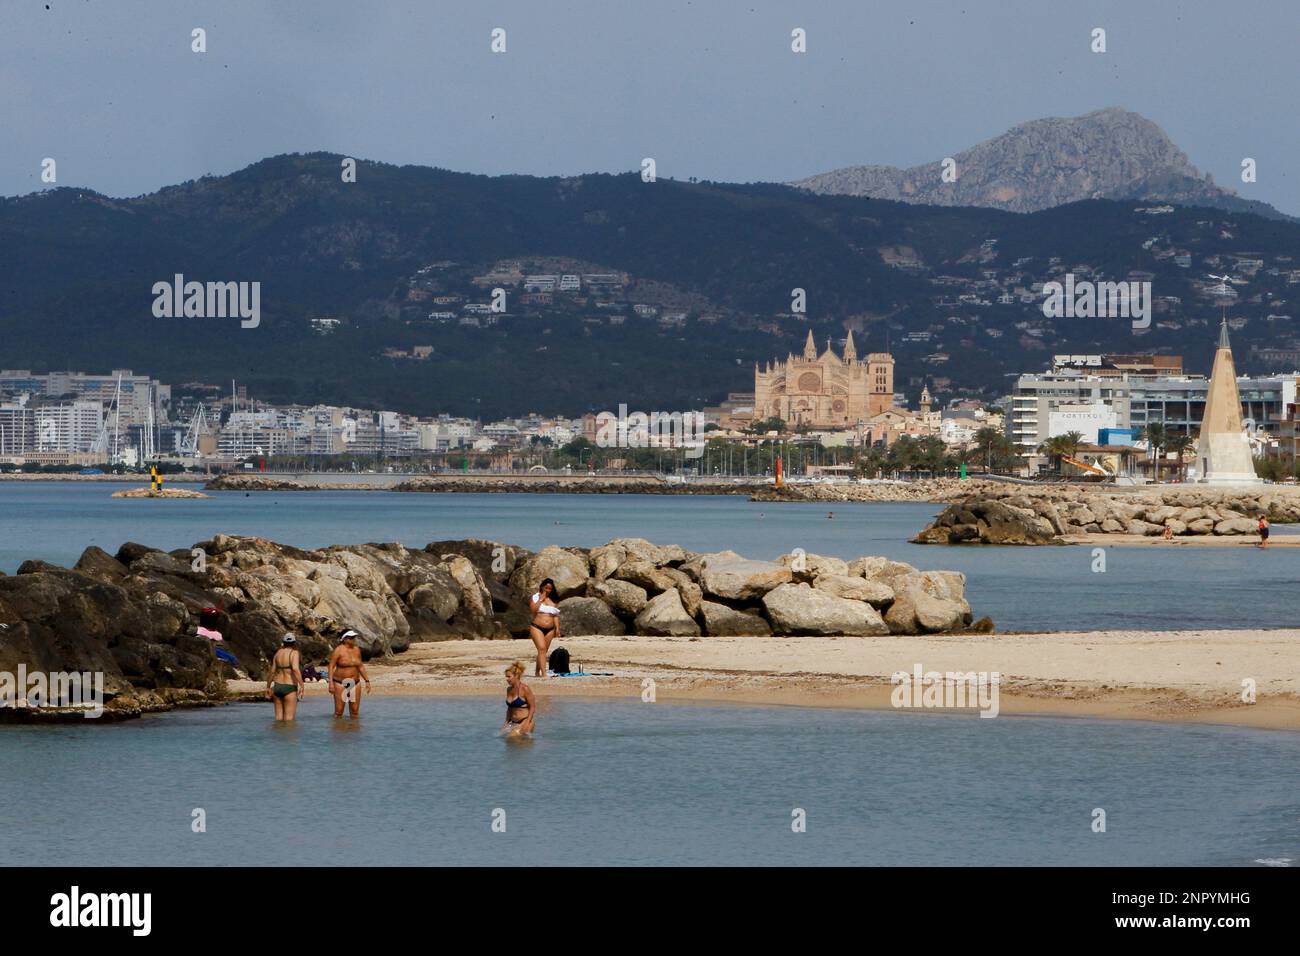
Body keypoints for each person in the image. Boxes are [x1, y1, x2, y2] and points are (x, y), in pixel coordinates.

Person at [328, 629, 372, 718]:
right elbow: (331, 666)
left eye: (354, 637)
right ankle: (338, 730)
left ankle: (353, 730)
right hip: (340, 684)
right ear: (345, 639)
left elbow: (360, 666)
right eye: (351, 638)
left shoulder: (357, 650)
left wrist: (367, 681)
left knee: (355, 712)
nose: (353, 639)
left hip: (355, 683)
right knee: (339, 712)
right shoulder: (338, 650)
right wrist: (331, 684)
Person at [266, 634, 304, 721]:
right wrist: (302, 685)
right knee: (289, 721)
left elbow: (272, 671)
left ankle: (277, 734)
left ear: (283, 642)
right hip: (289, 686)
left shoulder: (278, 653)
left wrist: (268, 686)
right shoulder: (294, 653)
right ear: (294, 643)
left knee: (278, 719)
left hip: (277, 686)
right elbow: (295, 669)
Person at [528, 578, 561, 678]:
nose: (548, 590)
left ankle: (537, 672)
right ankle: (544, 674)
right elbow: (533, 610)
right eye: (546, 588)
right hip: (537, 627)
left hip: (550, 629)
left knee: (543, 651)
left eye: (550, 589)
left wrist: (557, 629)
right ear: (542, 587)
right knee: (541, 649)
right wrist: (541, 599)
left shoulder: (554, 600)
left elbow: (555, 615)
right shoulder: (535, 597)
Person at [499, 661, 536, 736]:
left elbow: (532, 707)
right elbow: (510, 708)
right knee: (501, 737)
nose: (507, 679)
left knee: (511, 738)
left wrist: (527, 722)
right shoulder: (509, 689)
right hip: (513, 722)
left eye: (509, 677)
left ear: (516, 676)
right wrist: (506, 722)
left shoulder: (525, 689)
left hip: (525, 721)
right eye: (506, 677)